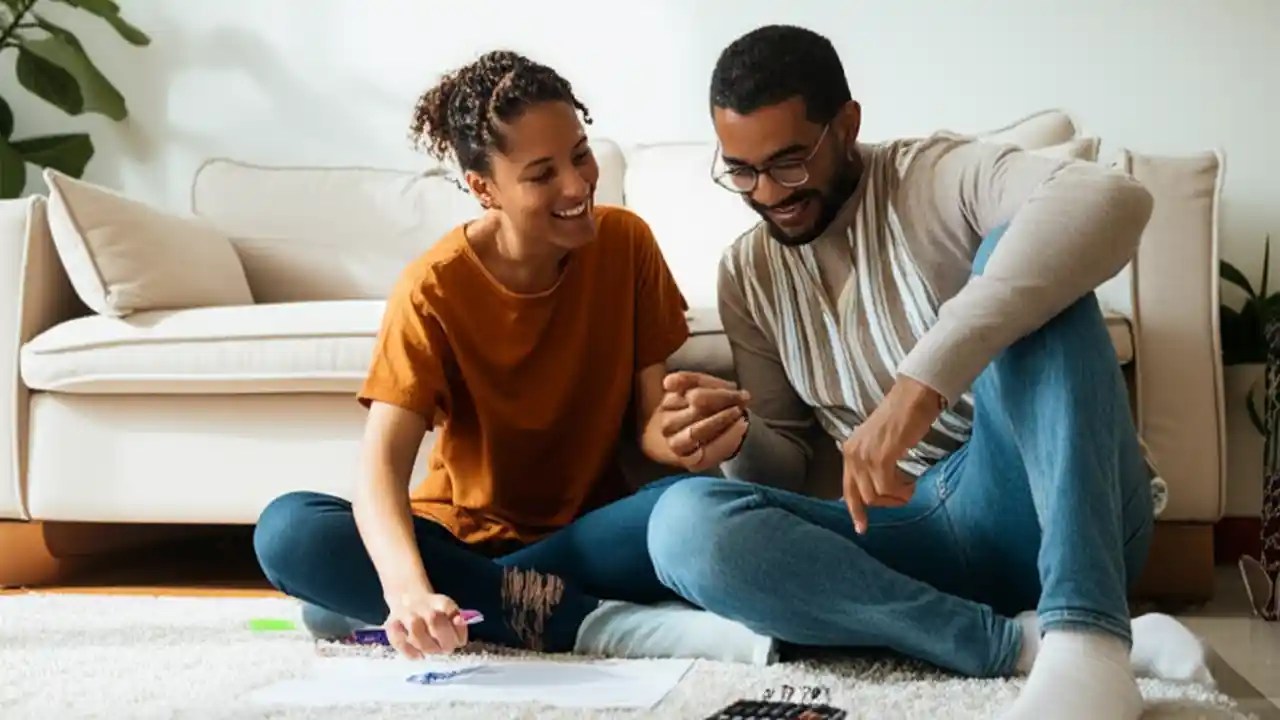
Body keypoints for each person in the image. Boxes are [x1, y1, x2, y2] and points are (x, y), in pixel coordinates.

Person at [645, 25, 1214, 719]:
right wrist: (733, 439)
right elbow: (783, 468)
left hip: (1045, 504)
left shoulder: (933, 177)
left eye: (790, 162)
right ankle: (1014, 645)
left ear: (846, 125)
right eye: (741, 170)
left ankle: (1088, 635)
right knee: (680, 525)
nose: (768, 193)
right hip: (910, 536)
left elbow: (1110, 199)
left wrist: (919, 387)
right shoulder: (747, 273)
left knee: (1027, 251)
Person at [252, 50, 774, 665]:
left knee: (687, 512)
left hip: (584, 540)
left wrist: (687, 435)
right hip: (460, 540)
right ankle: (595, 626)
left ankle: (467, 609)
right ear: (483, 188)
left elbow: (651, 427)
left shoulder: (626, 245)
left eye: (580, 154)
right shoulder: (433, 289)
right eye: (541, 173)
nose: (577, 185)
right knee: (289, 532)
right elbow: (378, 475)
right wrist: (410, 591)